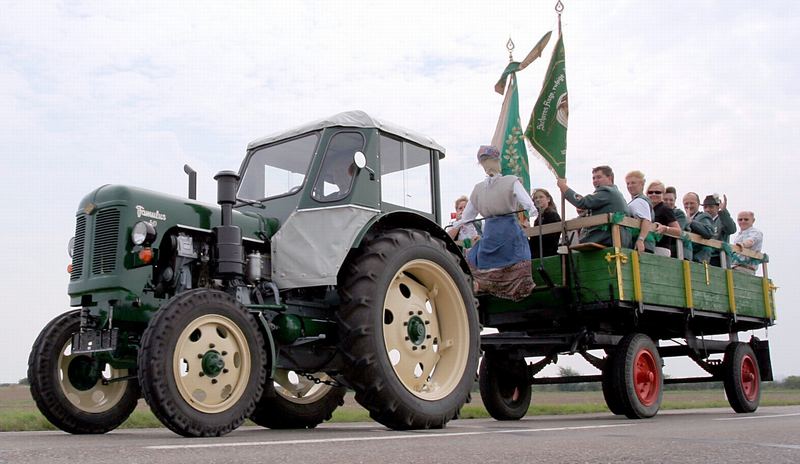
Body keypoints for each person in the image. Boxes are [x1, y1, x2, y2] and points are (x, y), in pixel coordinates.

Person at [454, 145, 536, 301]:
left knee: (485, 255)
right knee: (513, 253)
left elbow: (466, 217)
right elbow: (467, 216)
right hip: (499, 232)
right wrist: (533, 211)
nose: (486, 165)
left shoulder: (499, 184)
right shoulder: (493, 185)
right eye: (484, 162)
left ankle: (488, 284)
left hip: (499, 232)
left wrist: (456, 225)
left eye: (487, 161)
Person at [557, 165, 628, 247]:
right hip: (617, 239)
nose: (595, 181)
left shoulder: (607, 192)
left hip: (606, 238)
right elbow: (585, 213)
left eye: (599, 177)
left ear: (610, 178)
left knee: (563, 249)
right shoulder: (616, 193)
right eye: (593, 178)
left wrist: (563, 186)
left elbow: (582, 202)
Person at [646, 180, 681, 257]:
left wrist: (666, 228)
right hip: (648, 247)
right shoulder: (647, 209)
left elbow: (678, 231)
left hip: (661, 249)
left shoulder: (665, 209)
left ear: (663, 194)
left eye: (657, 192)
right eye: (650, 192)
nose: (653, 194)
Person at [702, 194, 736, 267]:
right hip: (705, 256)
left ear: (717, 208)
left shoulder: (722, 219)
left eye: (711, 207)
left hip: (719, 258)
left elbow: (731, 229)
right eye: (705, 207)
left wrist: (723, 211)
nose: (707, 209)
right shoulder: (702, 220)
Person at [625, 170, 654, 253]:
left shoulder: (640, 201)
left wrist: (641, 240)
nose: (630, 186)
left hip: (642, 245)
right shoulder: (636, 200)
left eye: (633, 183)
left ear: (642, 184)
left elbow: (646, 220)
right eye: (628, 183)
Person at [528, 188, 562, 258]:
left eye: (541, 197)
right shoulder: (537, 219)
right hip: (539, 254)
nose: (537, 200)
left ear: (548, 199)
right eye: (535, 198)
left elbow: (550, 239)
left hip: (547, 254)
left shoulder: (552, 215)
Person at [683, 192, 715, 263]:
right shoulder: (682, 218)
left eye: (691, 203)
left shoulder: (703, 216)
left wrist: (691, 222)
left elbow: (709, 232)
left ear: (698, 204)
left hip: (698, 257)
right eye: (686, 204)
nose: (689, 206)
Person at [664, 186, 690, 259]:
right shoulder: (659, 210)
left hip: (677, 249)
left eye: (671, 200)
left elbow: (677, 230)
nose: (668, 202)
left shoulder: (679, 213)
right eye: (665, 199)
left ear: (675, 200)